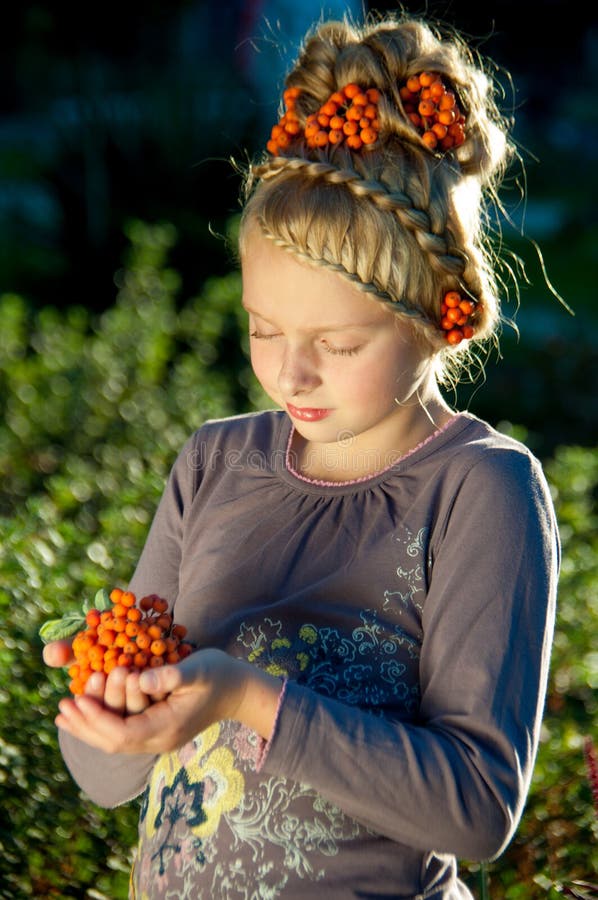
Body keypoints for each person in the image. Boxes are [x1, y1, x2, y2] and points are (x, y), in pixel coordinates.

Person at [44, 10, 560, 899]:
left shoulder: (479, 488)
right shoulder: (215, 464)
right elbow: (108, 779)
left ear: (440, 316)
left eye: (339, 344)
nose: (291, 373)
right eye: (263, 329)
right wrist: (111, 698)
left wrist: (245, 697)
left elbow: (477, 809)